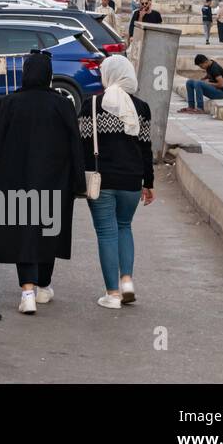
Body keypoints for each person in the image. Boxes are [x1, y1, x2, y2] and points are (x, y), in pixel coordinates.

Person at [0, 51, 84, 314]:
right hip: (54, 182)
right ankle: (43, 285)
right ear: (48, 76)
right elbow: (75, 145)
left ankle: (27, 291)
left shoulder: (8, 103)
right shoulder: (62, 104)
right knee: (47, 233)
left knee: (22, 234)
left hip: (14, 182)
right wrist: (78, 181)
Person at [79, 55, 155, 309]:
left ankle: (112, 294)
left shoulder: (90, 105)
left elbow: (83, 145)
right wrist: (149, 183)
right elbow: (146, 148)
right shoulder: (141, 107)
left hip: (100, 180)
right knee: (124, 226)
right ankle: (127, 282)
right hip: (132, 180)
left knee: (106, 233)